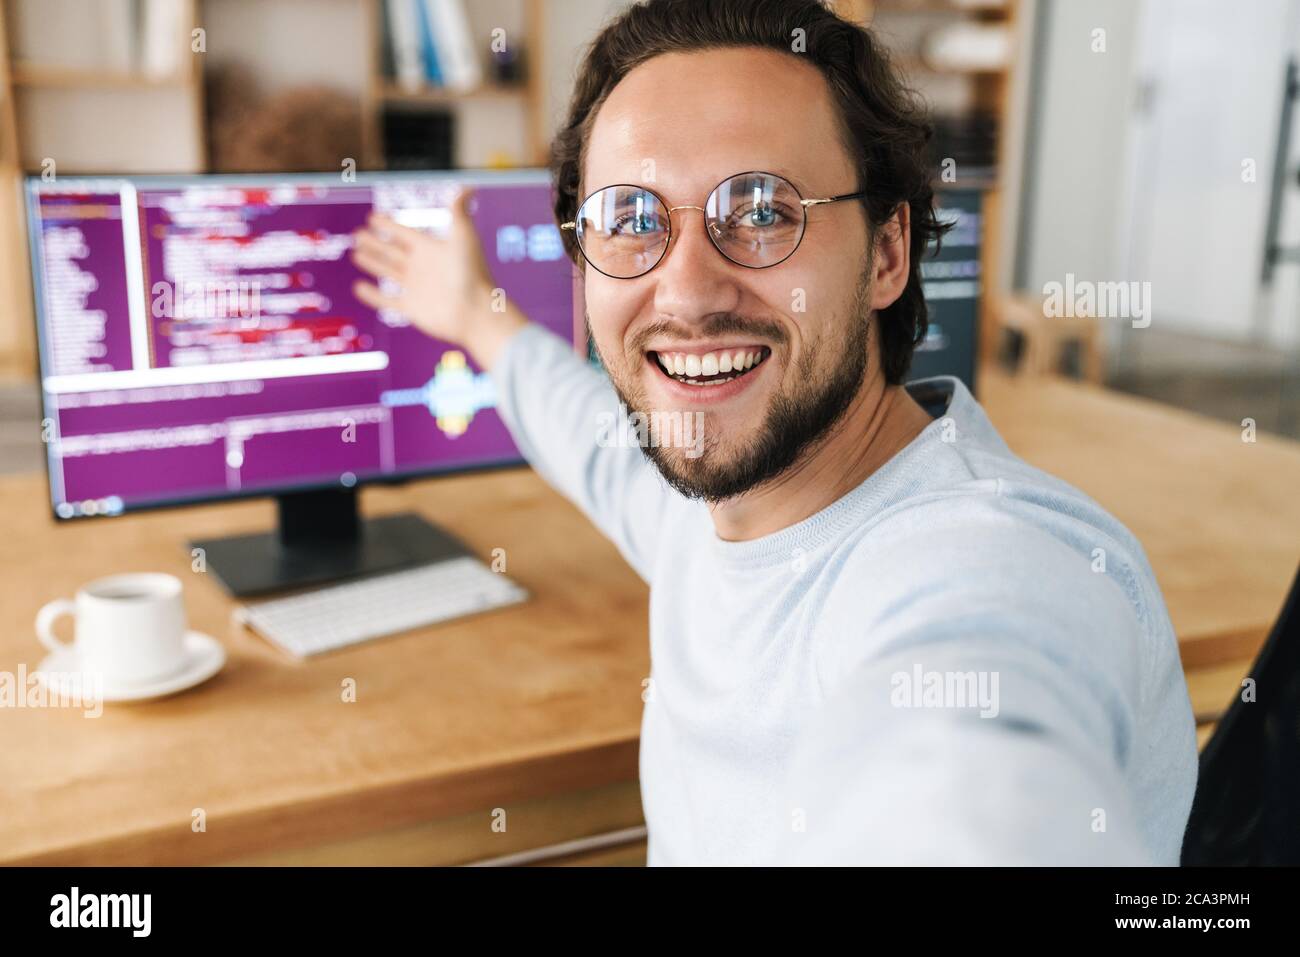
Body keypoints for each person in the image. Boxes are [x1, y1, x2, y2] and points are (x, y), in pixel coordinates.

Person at [351, 0, 1197, 865]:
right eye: (633, 219)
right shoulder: (727, 502)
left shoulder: (990, 562)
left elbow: (974, 779)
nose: (684, 295)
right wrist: (476, 315)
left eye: (760, 210)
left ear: (886, 252)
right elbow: (598, 451)